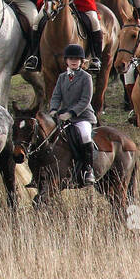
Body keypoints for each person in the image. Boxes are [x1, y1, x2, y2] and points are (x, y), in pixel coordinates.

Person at [49, 44, 98, 186]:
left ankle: (89, 170)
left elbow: (85, 100)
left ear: (82, 61)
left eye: (77, 59)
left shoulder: (86, 77)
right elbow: (56, 96)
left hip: (83, 116)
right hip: (64, 116)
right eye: (71, 58)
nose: (74, 61)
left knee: (84, 135)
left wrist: (71, 113)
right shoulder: (62, 77)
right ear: (66, 60)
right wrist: (53, 109)